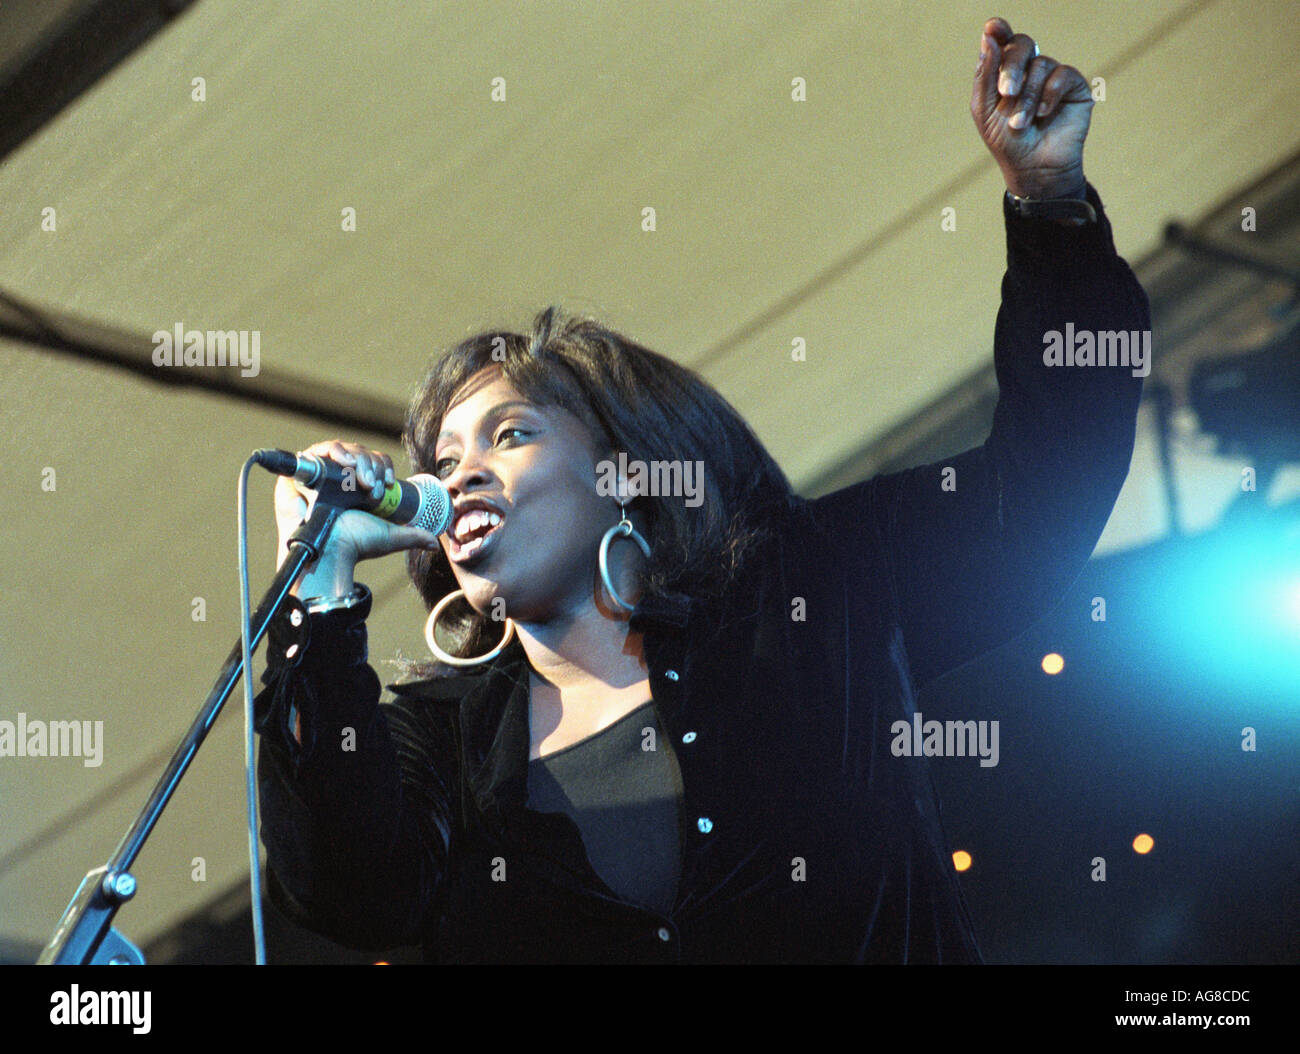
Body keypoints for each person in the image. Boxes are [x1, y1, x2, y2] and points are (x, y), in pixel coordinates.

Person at [254, 17, 1150, 963]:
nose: (461, 471)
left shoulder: (810, 597)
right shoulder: (440, 750)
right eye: (441, 462)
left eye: (509, 434)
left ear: (625, 469)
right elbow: (343, 891)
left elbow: (1045, 486)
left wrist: (1051, 208)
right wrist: (317, 595)